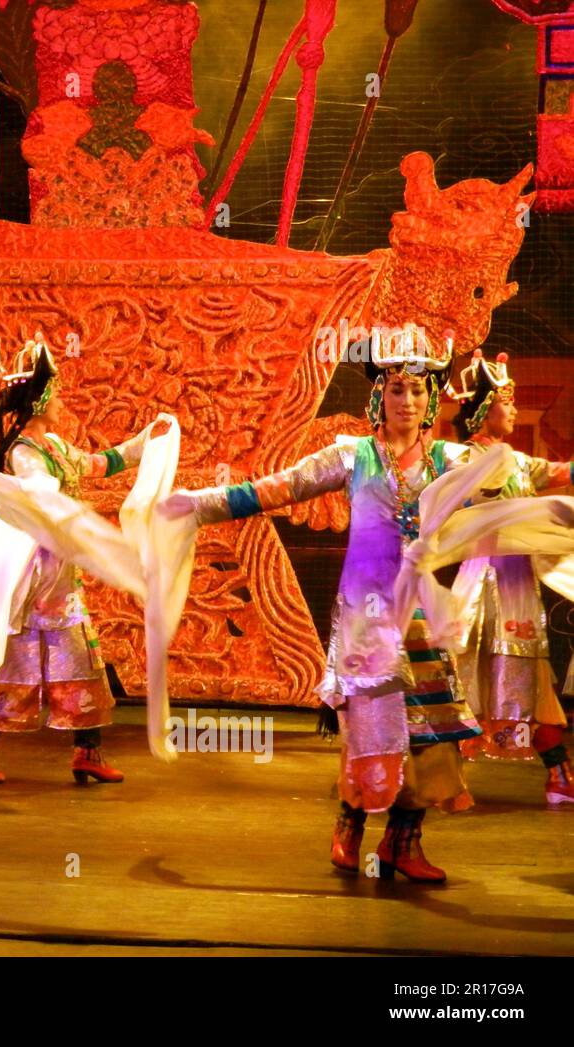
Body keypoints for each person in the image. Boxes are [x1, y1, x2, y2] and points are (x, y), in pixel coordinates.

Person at [160, 329, 481, 882]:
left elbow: (515, 478)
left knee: (430, 735)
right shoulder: (352, 456)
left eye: (419, 391)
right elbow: (275, 489)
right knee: (373, 734)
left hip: (422, 619)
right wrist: (199, 505)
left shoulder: (450, 461)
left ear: (432, 401)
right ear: (379, 395)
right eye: (398, 389)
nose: (408, 401)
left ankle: (403, 843)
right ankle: (350, 826)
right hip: (365, 623)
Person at [0, 335, 149, 786]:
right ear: (42, 397)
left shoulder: (57, 447)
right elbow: (38, 490)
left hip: (62, 575)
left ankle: (87, 751)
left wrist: (144, 444)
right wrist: (52, 502)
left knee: (80, 659)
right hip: (36, 574)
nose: (62, 400)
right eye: (58, 392)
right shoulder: (24, 453)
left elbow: (95, 464)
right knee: (17, 663)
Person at [445, 349, 573, 804]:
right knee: (465, 683)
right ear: (483, 409)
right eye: (507, 400)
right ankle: (447, 780)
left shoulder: (519, 462)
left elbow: (559, 472)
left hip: (518, 592)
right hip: (480, 589)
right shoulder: (459, 460)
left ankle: (559, 776)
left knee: (534, 680)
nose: (515, 409)